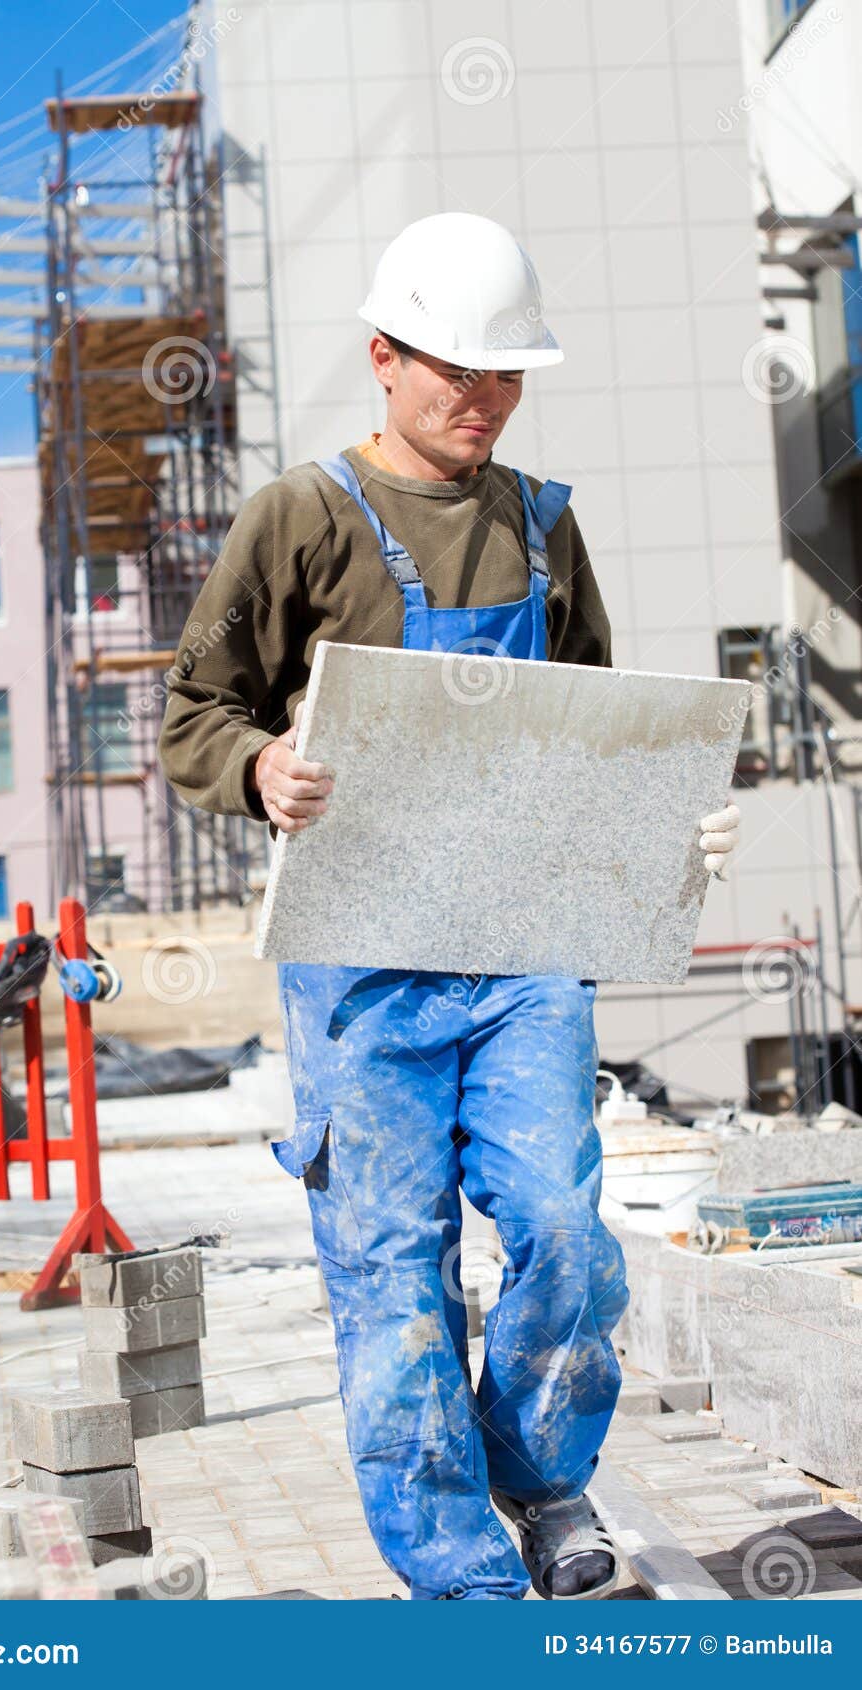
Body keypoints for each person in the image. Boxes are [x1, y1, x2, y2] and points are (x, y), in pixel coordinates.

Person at [158, 213, 740, 1601]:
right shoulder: (295, 518)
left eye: (502, 378)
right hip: (361, 967)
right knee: (391, 1274)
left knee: (559, 1227)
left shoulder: (541, 526)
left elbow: (592, 724)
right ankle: (461, 1586)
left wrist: (669, 824)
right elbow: (193, 711)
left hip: (522, 949)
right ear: (382, 357)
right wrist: (259, 764)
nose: (479, 402)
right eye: (452, 375)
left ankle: (537, 1478)